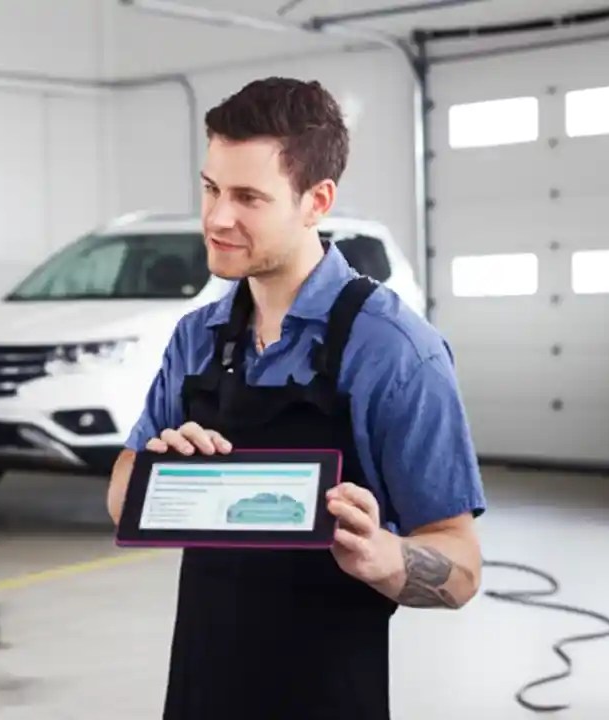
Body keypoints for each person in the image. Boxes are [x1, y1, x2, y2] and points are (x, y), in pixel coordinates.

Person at [106, 77, 487, 719]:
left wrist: (385, 557)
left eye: (248, 197)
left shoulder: (394, 351)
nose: (217, 217)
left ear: (317, 200)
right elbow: (120, 497)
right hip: (199, 692)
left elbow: (462, 567)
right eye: (211, 188)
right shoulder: (196, 338)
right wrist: (156, 473)